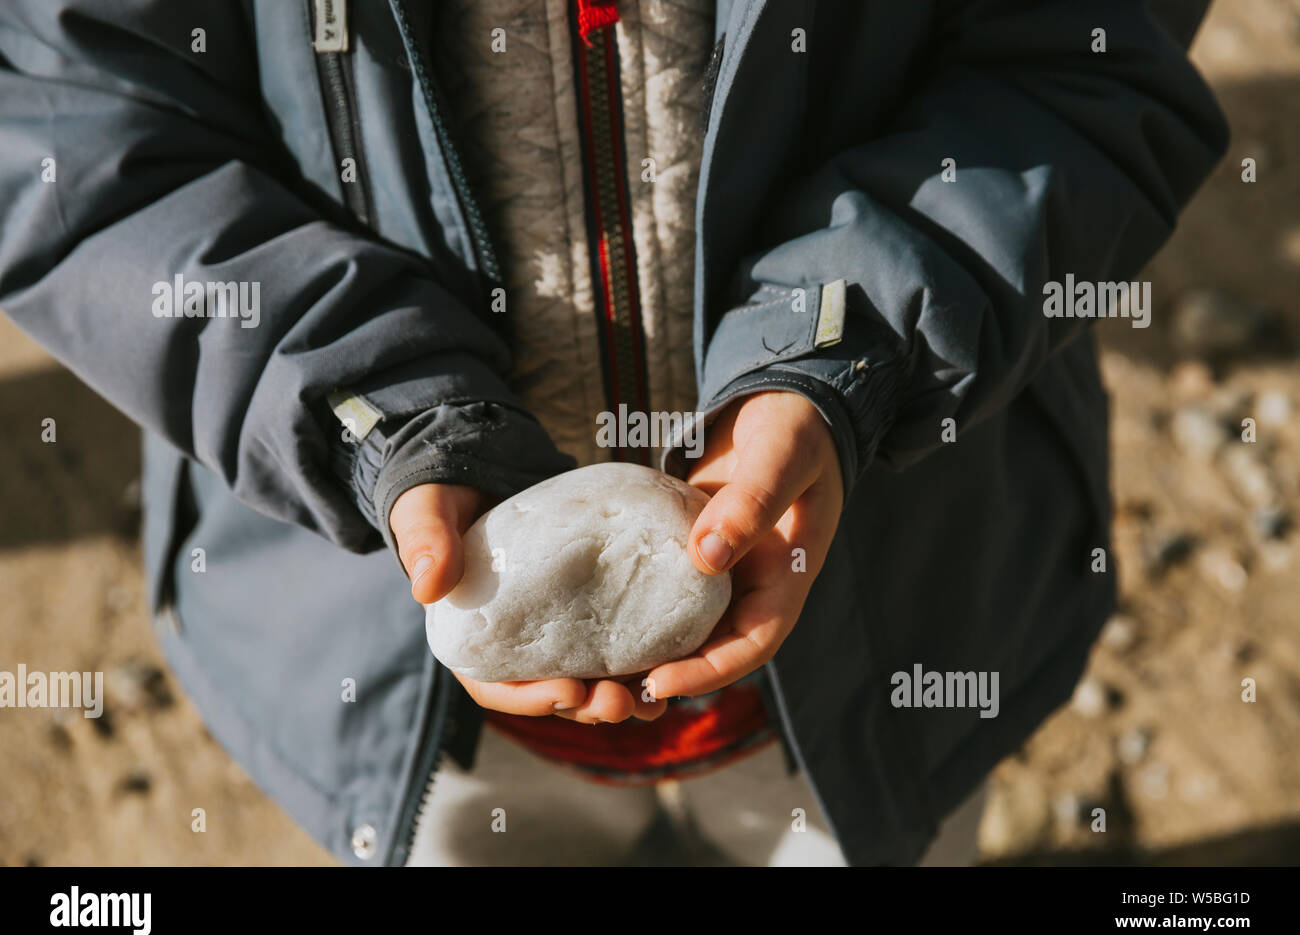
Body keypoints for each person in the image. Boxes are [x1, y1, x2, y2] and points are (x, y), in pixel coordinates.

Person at [0, 0, 1226, 865]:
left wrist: (849, 347)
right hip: (380, 631)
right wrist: (371, 411)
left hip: (890, 582)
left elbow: (1084, 50)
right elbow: (69, 124)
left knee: (855, 835)